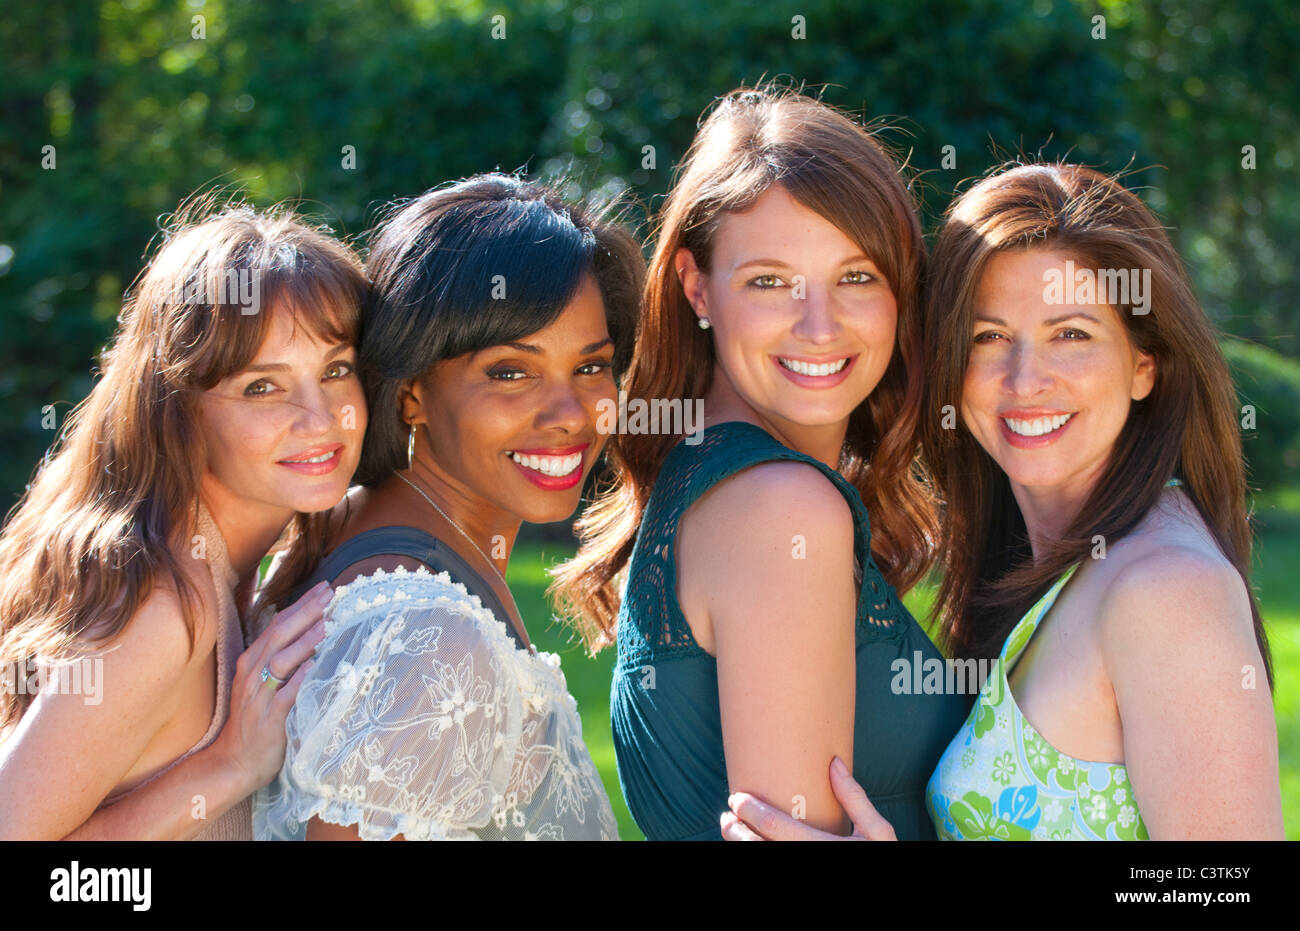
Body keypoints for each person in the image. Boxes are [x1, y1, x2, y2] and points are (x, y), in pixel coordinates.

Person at [722, 163, 1284, 840]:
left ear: (1145, 364)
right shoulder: (1061, 569)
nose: (1025, 379)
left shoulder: (1167, 590)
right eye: (988, 337)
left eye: (1071, 334)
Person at [549, 84, 972, 840]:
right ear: (696, 286)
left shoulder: (712, 476)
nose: (820, 324)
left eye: (857, 276)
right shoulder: (780, 508)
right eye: (771, 281)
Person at [253, 174, 643, 840]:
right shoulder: (430, 642)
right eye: (510, 372)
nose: (571, 413)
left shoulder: (361, 530)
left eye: (590, 366)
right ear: (410, 394)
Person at [0, 199, 367, 839]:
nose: (321, 417)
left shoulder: (225, 565)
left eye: (336, 370)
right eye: (263, 386)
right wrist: (230, 765)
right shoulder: (166, 606)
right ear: (178, 408)